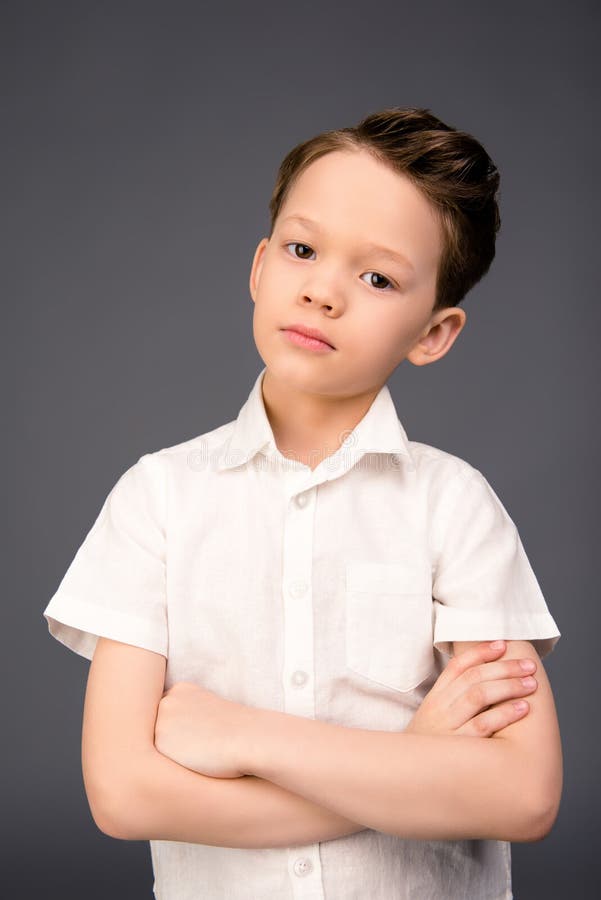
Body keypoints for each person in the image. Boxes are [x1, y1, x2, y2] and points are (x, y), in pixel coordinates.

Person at [42, 106, 562, 900]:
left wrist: (243, 736)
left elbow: (521, 797)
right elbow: (124, 795)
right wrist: (410, 765)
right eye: (302, 249)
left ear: (433, 332)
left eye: (377, 278)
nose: (322, 291)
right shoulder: (159, 497)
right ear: (259, 268)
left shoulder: (454, 506)